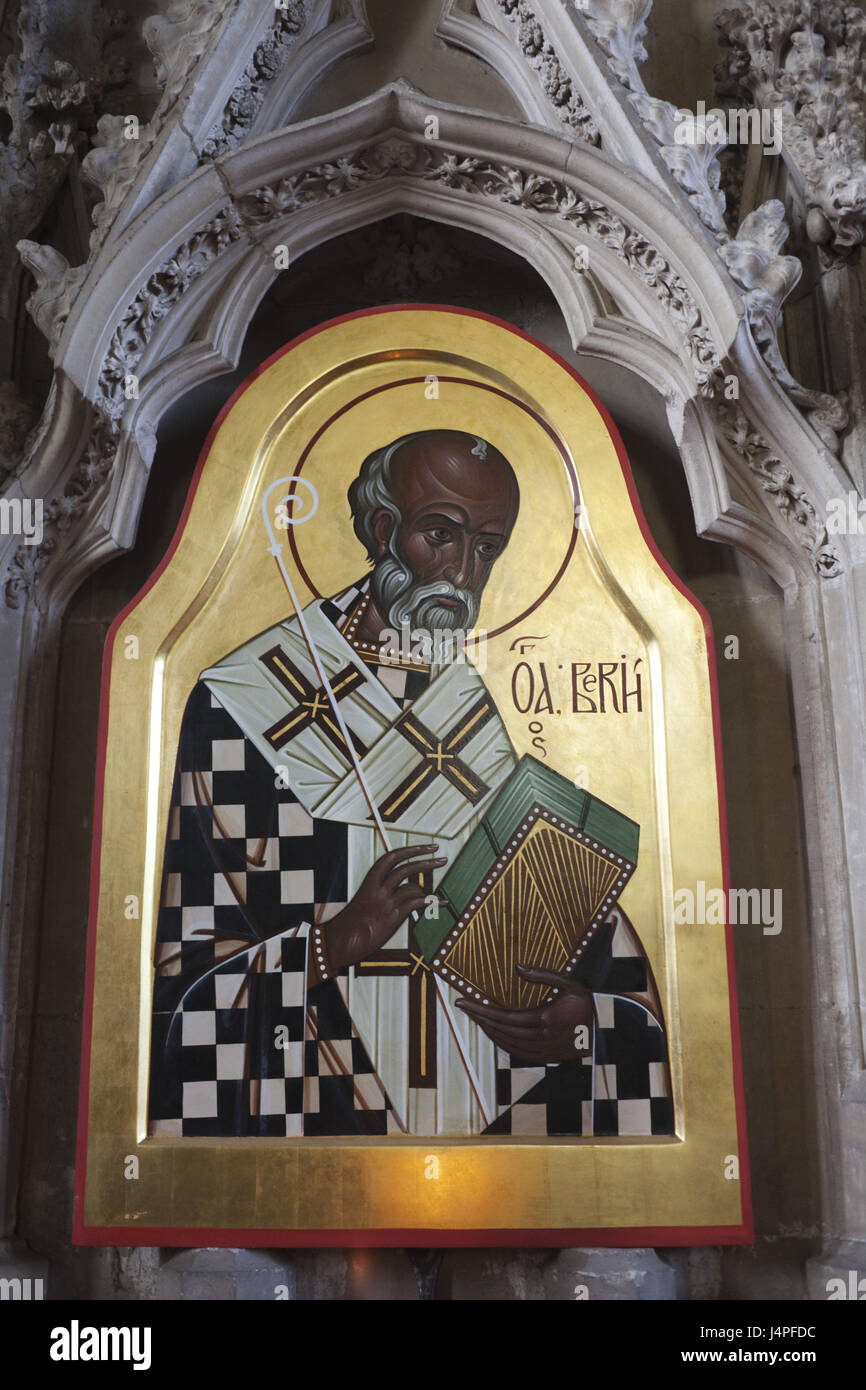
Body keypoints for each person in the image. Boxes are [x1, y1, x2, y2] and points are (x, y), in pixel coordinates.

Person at [149, 429, 673, 1137]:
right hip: (320, 1103)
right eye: (441, 534)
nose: (460, 573)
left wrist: (582, 1022)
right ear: (382, 528)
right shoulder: (241, 704)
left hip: (496, 1127)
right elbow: (182, 993)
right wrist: (335, 942)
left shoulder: (467, 705)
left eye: (487, 548)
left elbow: (589, 948)